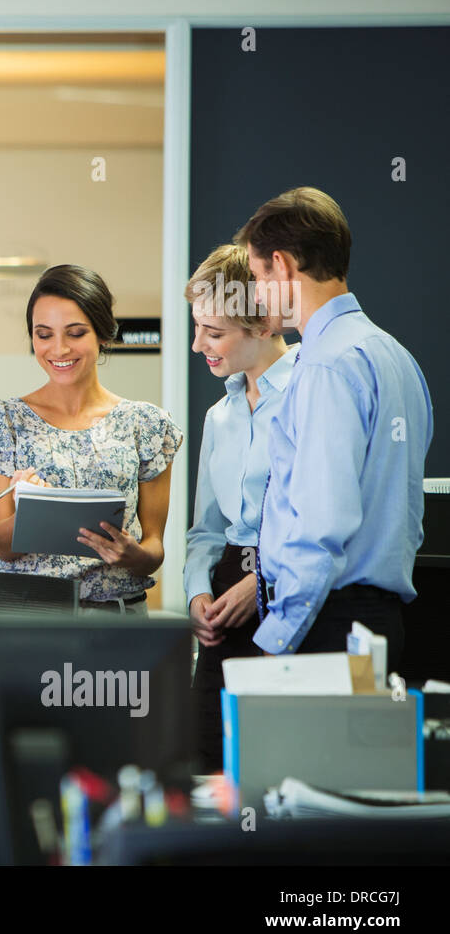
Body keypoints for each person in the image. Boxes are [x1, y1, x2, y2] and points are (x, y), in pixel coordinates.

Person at [238, 187, 432, 666]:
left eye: (259, 277)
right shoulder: (397, 357)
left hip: (324, 625)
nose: (259, 296)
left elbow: (320, 525)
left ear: (281, 266)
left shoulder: (325, 365)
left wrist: (278, 636)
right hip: (379, 623)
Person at [0, 264, 182, 613]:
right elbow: (2, 545)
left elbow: (154, 550)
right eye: (44, 334)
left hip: (118, 616)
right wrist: (32, 512)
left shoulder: (146, 424)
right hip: (32, 616)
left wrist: (132, 554)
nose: (58, 349)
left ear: (103, 334)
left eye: (75, 333)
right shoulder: (0, 422)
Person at [183, 243, 297, 771]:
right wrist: (197, 595)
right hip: (227, 591)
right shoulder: (219, 416)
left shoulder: (310, 393)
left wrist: (267, 580)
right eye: (197, 327)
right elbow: (205, 529)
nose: (196, 344)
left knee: (278, 762)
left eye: (213, 331)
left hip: (292, 585)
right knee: (211, 760)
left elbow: (326, 519)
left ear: (261, 323)